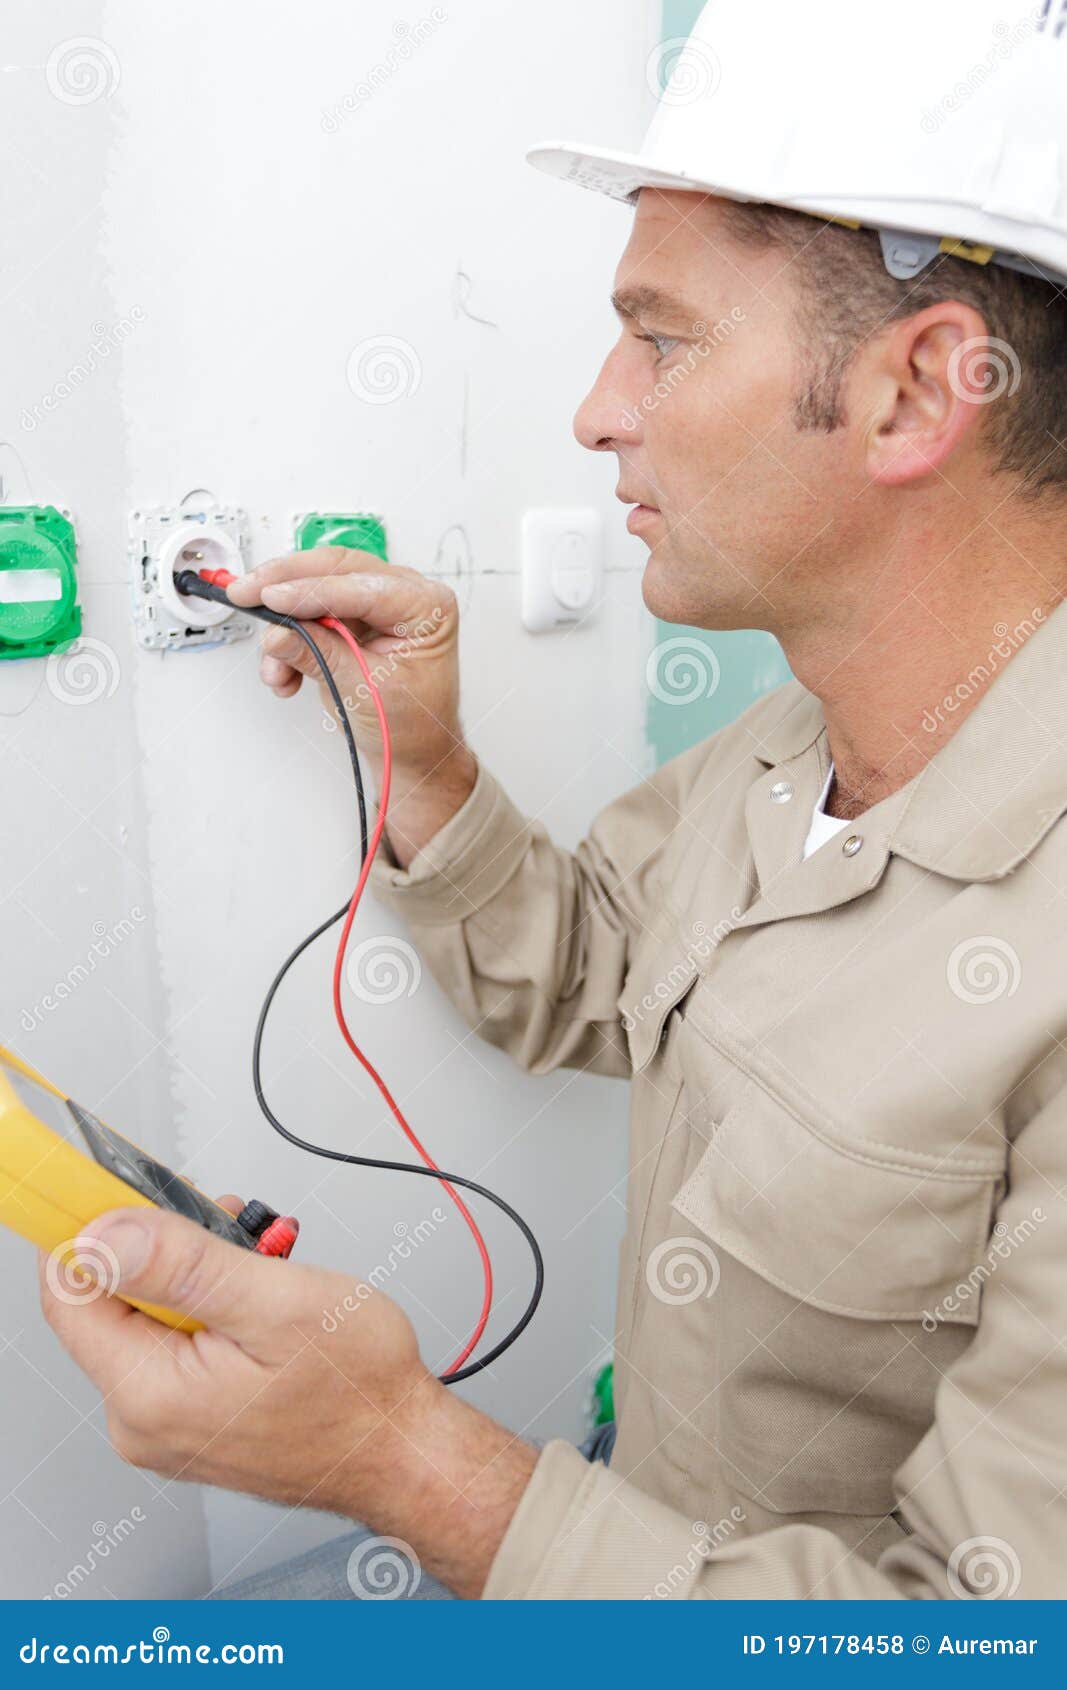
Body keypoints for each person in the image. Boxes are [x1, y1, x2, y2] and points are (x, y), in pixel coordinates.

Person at [42, 0, 1067, 1599]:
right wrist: (430, 760)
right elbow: (592, 970)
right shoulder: (803, 741)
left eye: (661, 339)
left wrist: (399, 1458)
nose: (597, 410)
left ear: (920, 390)